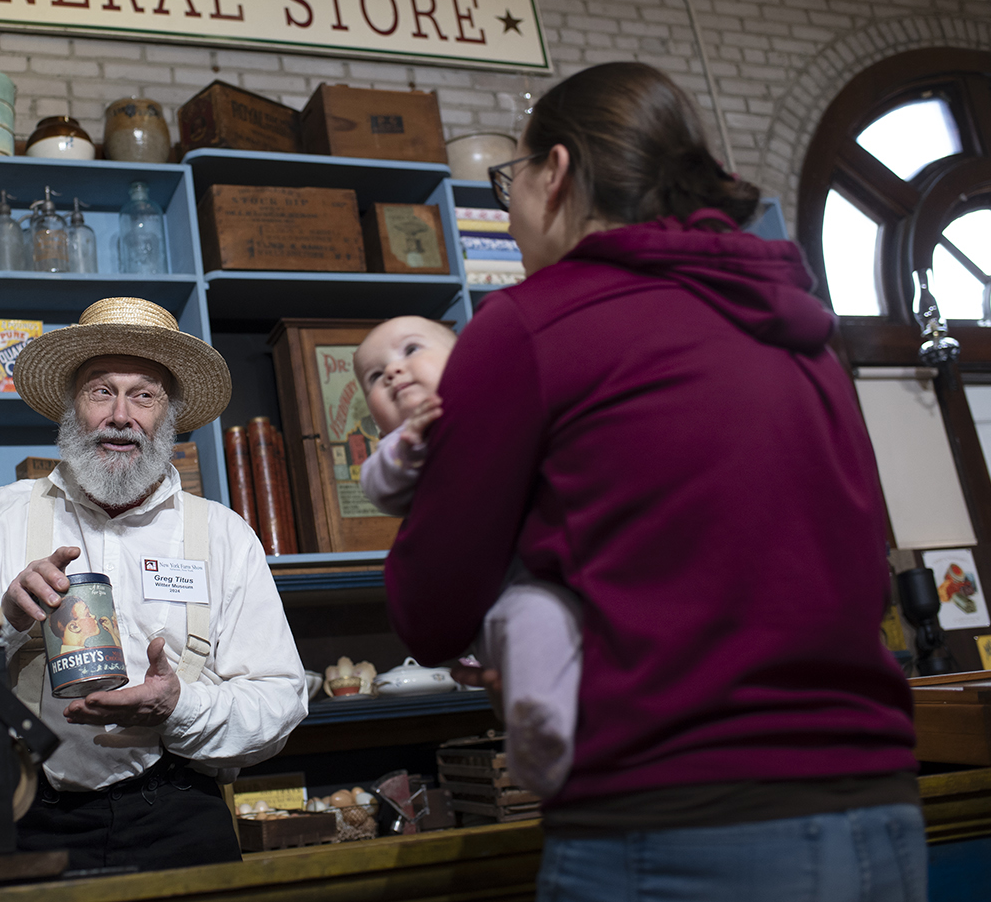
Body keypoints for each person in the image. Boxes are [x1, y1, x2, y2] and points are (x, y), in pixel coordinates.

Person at [385, 62, 923, 900]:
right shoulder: (798, 327)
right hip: (880, 804)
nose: (507, 205)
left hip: (677, 815)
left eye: (510, 179)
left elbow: (432, 605)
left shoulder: (532, 323)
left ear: (556, 172)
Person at [0, 297, 307, 872]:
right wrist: (3, 623)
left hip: (177, 810)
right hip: (20, 812)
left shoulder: (224, 536)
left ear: (169, 416)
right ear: (71, 408)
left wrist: (178, 707)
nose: (121, 414)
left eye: (144, 394)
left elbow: (279, 704)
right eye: (100, 391)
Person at [356, 315, 583, 797]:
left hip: (556, 568)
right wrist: (409, 451)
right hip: (505, 594)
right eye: (375, 376)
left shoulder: (494, 406)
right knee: (532, 623)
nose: (394, 373)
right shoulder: (398, 445)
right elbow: (379, 487)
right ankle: (538, 735)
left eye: (411, 350)